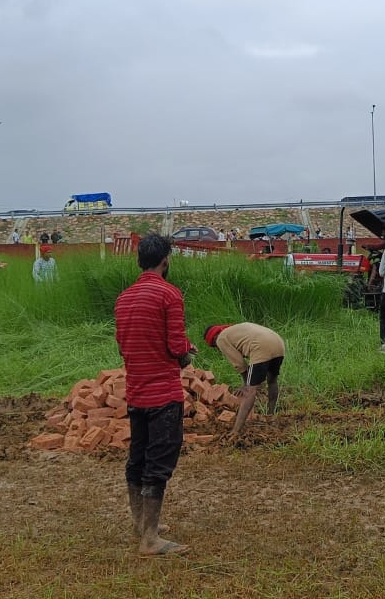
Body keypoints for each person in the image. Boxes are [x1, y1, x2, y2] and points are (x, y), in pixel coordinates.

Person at [114, 233, 193, 557]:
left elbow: (123, 346)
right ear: (165, 261)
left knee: (138, 459)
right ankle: (150, 539)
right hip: (163, 395)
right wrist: (187, 354)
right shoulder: (168, 295)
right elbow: (176, 348)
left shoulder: (124, 298)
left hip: (137, 393)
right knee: (158, 465)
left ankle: (140, 524)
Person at [203, 323, 285, 436]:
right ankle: (271, 416)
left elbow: (240, 364)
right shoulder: (234, 330)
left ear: (213, 340)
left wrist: (247, 385)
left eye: (214, 346)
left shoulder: (221, 338)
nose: (217, 348)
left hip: (261, 345)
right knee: (272, 381)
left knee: (250, 391)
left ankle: (235, 431)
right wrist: (247, 382)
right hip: (278, 342)